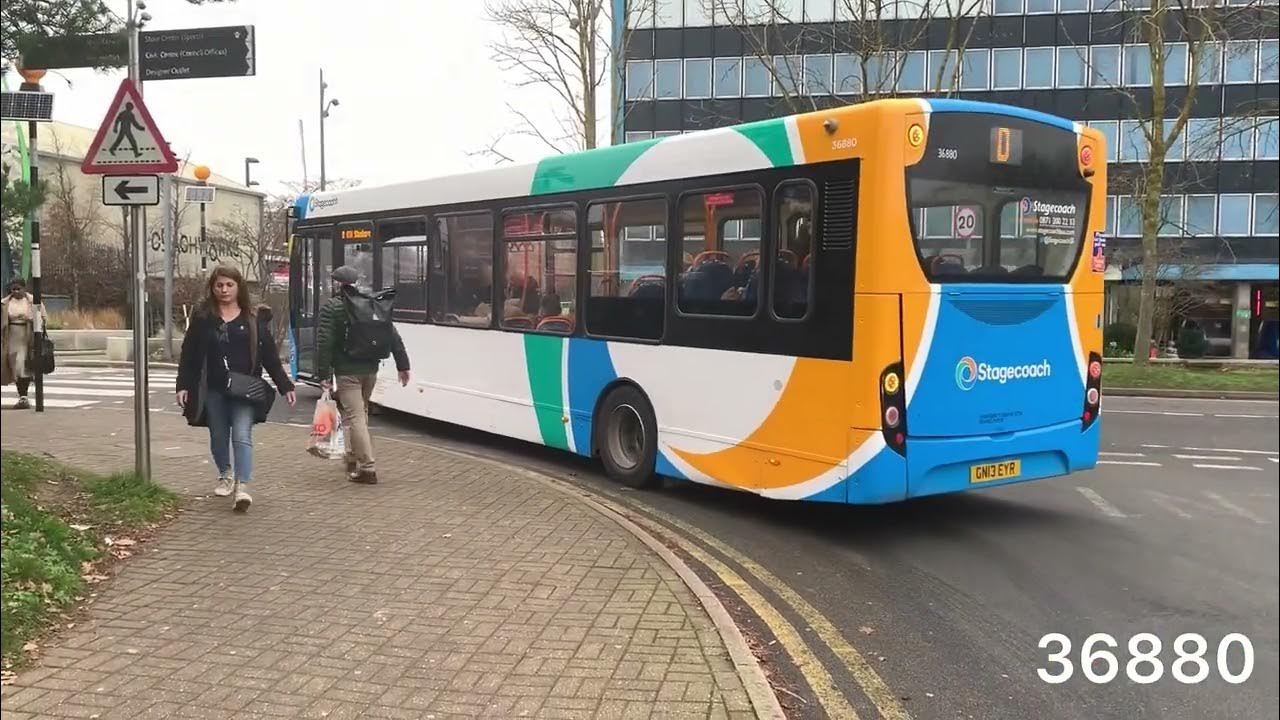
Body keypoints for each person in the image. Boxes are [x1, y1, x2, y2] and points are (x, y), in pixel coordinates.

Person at [176, 266, 296, 512]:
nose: (224, 290)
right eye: (219, 285)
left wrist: (285, 386)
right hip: (214, 388)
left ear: (238, 286)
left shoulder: (251, 319)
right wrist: (183, 386)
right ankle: (225, 474)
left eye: (229, 285)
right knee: (219, 435)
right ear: (212, 288)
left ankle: (243, 486)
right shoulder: (203, 318)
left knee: (242, 435)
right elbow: (188, 355)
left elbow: (270, 356)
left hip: (245, 389)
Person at [317, 265, 410, 484]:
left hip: (347, 372)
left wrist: (323, 374)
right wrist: (403, 365)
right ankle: (352, 456)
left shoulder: (333, 307)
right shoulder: (370, 304)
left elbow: (325, 342)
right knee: (361, 413)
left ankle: (367, 468)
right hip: (370, 369)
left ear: (336, 283)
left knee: (356, 417)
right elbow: (391, 334)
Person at [1, 278, 47, 409]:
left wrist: (32, 319)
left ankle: (24, 396)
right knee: (14, 366)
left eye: (18, 289)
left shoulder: (32, 301)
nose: (16, 291)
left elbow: (43, 317)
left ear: (24, 288)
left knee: (22, 365)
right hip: (10, 336)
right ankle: (22, 395)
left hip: (27, 336)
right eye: (13, 289)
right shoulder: (5, 303)